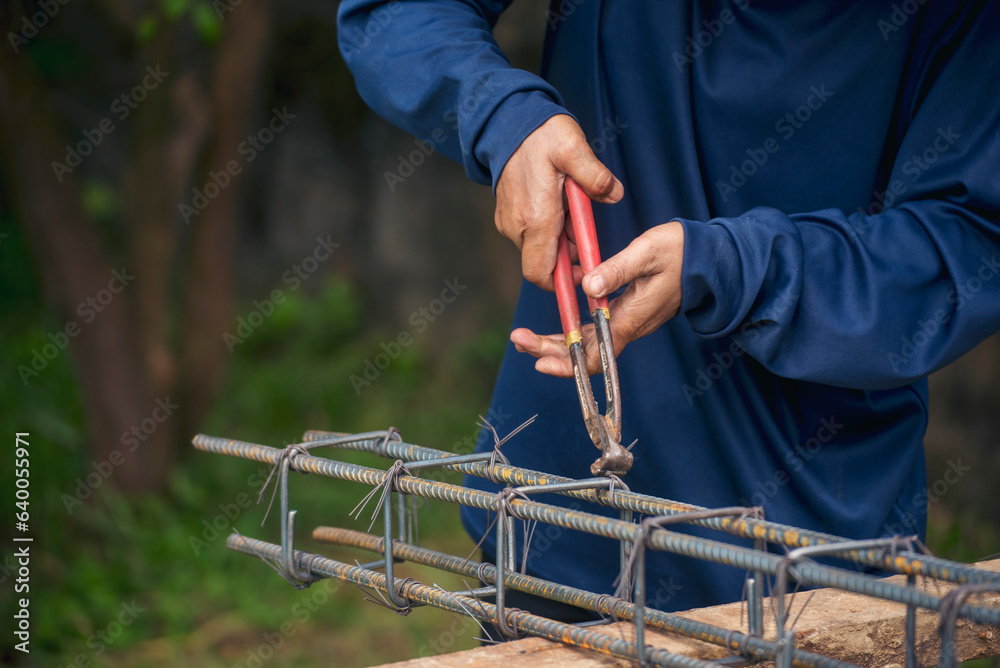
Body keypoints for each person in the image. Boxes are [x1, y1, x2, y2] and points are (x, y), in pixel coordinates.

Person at [338, 0, 1000, 615]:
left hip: (812, 563)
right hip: (555, 527)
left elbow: (968, 242)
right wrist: (504, 115)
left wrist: (734, 267)